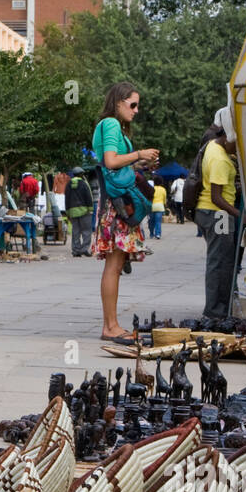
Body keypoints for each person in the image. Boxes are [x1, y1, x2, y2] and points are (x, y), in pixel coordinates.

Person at [91, 81, 159, 344]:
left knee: (116, 264)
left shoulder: (114, 127)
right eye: (132, 104)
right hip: (115, 203)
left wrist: (141, 161)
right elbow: (110, 161)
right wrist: (138, 154)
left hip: (116, 201)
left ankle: (112, 324)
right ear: (118, 102)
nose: (136, 110)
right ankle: (110, 326)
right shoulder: (110, 124)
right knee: (114, 264)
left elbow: (117, 163)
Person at [195, 109, 240, 321]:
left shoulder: (213, 146)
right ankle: (214, 310)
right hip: (218, 214)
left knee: (222, 260)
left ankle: (219, 308)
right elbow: (217, 197)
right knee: (219, 262)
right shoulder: (220, 159)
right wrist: (239, 214)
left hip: (214, 212)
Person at [66, 166, 94, 256]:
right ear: (81, 174)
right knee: (86, 231)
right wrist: (90, 209)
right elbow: (88, 196)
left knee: (75, 231)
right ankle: (84, 249)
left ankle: (76, 251)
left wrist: (68, 212)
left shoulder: (68, 184)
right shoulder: (84, 184)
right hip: (84, 210)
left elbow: (66, 199)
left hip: (72, 211)